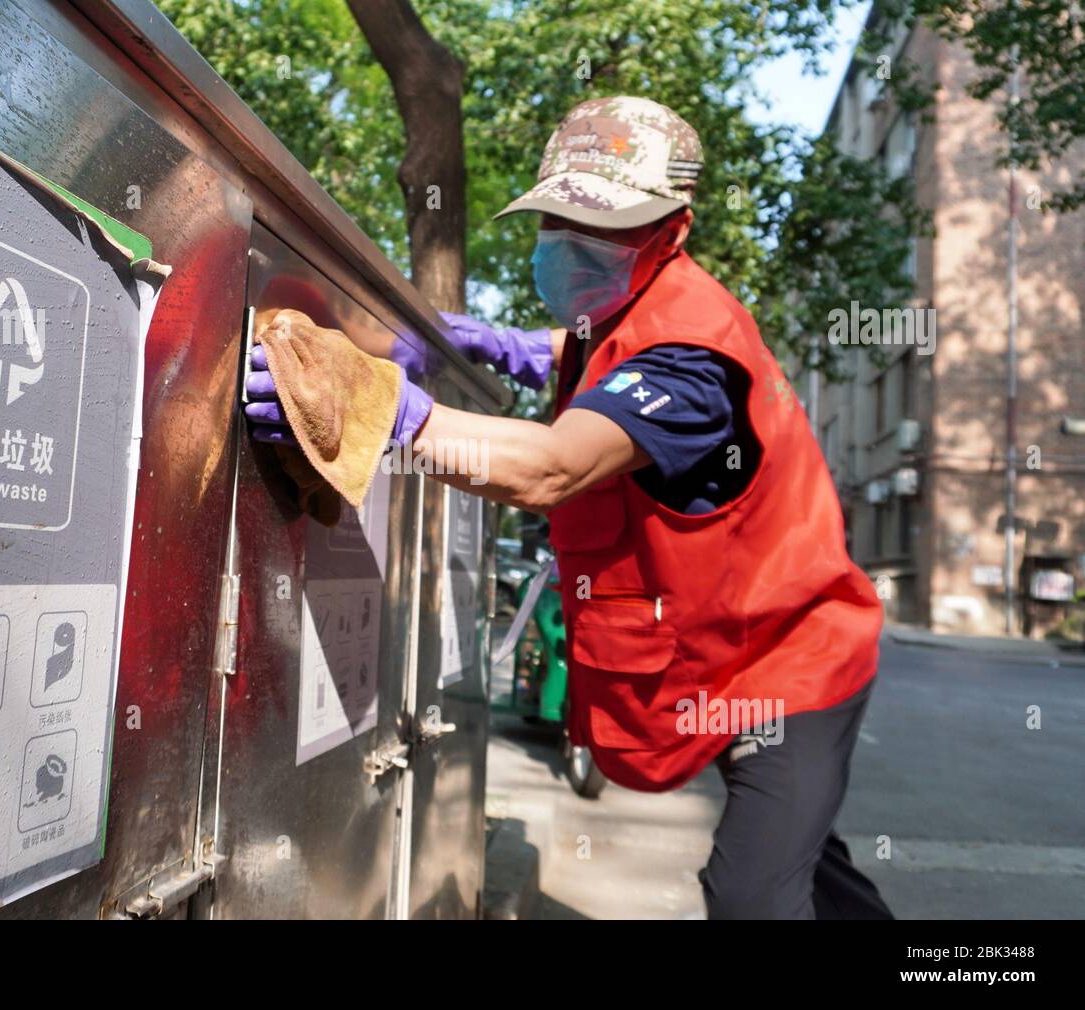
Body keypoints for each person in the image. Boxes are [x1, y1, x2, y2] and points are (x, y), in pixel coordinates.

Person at [245, 96, 892, 920]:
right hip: (716, 648)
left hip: (791, 661)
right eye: (559, 216)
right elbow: (601, 350)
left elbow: (551, 469)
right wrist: (504, 343)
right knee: (808, 865)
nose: (573, 242)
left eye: (608, 225)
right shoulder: (622, 312)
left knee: (753, 899)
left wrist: (390, 414)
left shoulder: (696, 359)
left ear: (673, 230)